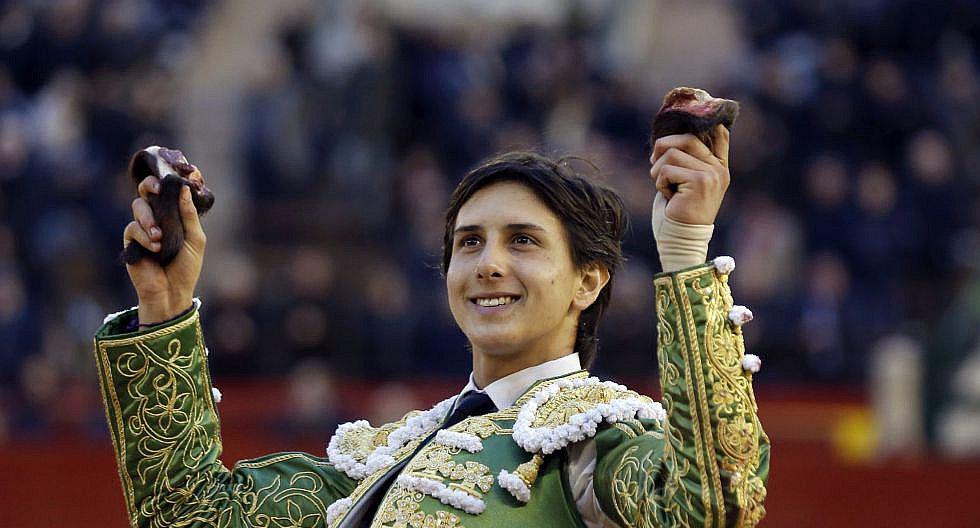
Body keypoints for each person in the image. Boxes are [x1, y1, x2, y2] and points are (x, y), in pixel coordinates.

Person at [94, 125, 769, 527]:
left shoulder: (597, 442)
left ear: (588, 282)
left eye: (524, 242)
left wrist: (684, 255)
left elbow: (712, 505)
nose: (489, 264)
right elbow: (188, 515)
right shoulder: (381, 460)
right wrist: (166, 303)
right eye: (469, 243)